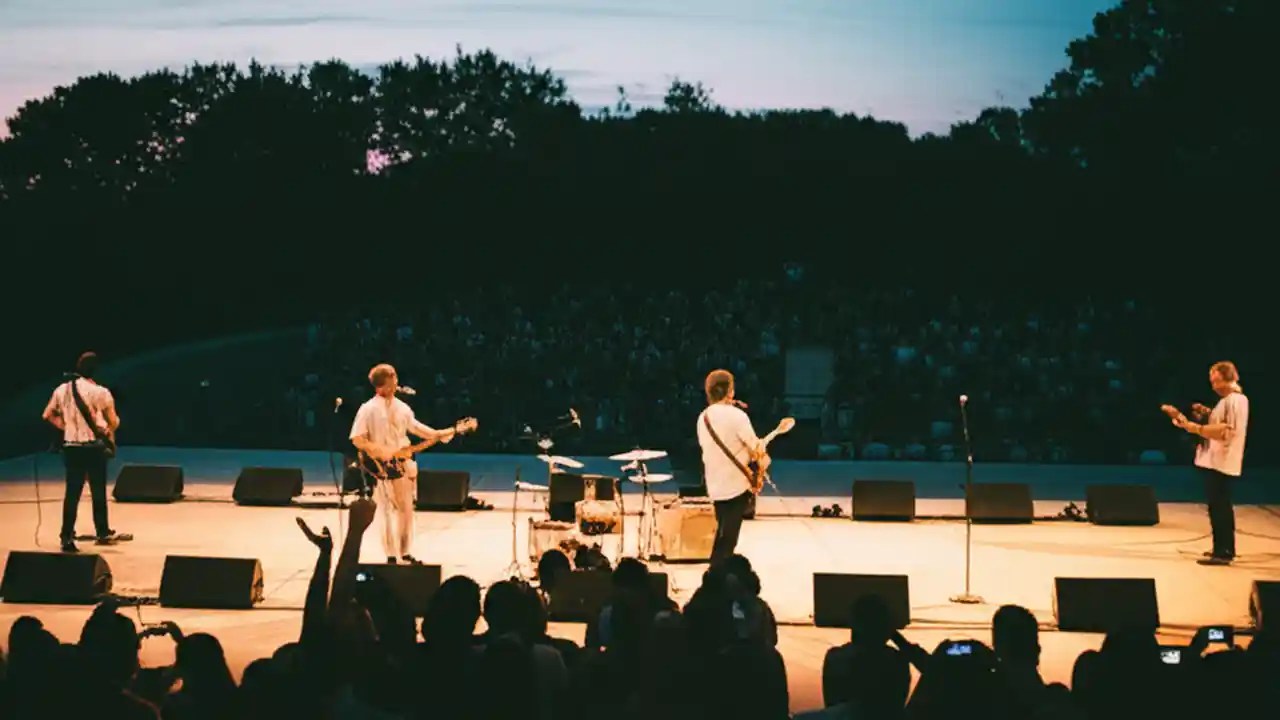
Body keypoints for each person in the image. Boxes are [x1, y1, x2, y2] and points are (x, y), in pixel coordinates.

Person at [349, 363, 459, 564]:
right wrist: (378, 451)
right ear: (379, 387)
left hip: (402, 462)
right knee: (385, 512)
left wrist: (440, 434)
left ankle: (405, 551)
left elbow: (416, 427)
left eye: (395, 383)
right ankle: (390, 554)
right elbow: (357, 438)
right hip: (380, 466)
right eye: (389, 385)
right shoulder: (368, 409)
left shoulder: (402, 407)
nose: (394, 388)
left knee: (406, 509)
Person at [41, 351, 129, 552]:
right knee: (98, 491)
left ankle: (66, 536)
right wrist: (106, 429)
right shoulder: (101, 392)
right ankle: (102, 532)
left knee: (72, 493)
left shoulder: (62, 389)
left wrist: (66, 427)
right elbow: (113, 421)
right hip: (93, 448)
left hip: (71, 447)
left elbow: (47, 415)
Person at [1169, 361, 1249, 565]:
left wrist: (1196, 428)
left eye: (1216, 380)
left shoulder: (1235, 400)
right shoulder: (1228, 401)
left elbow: (1226, 430)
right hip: (1216, 460)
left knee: (1220, 506)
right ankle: (1221, 546)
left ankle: (1224, 551)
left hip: (1222, 461)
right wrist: (1206, 414)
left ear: (1227, 378)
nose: (1213, 385)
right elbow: (1220, 422)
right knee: (1217, 506)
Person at [696, 369, 765, 563]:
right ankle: (717, 576)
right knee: (728, 540)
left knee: (723, 533)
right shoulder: (738, 416)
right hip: (736, 485)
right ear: (730, 391)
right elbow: (756, 449)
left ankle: (715, 575)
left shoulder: (703, 418)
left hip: (715, 485)